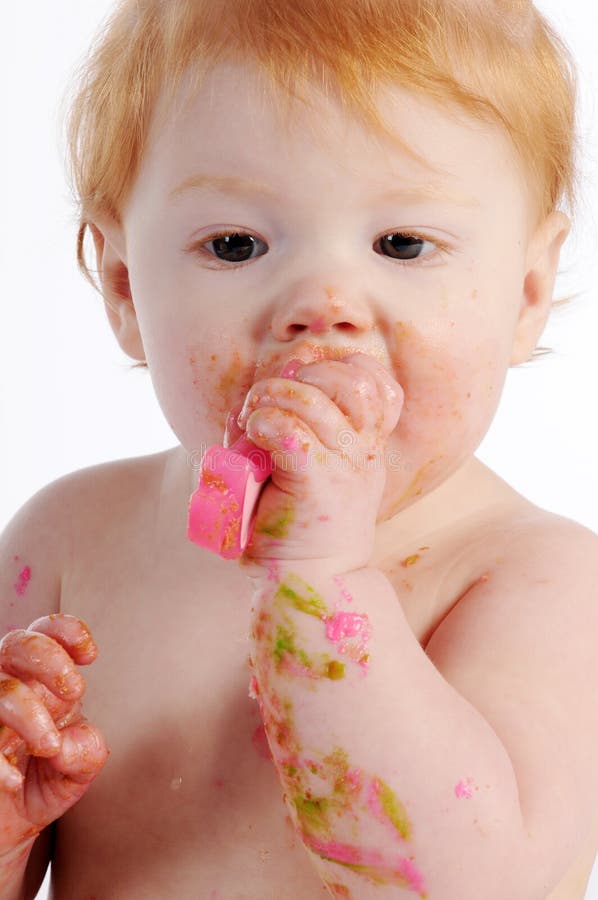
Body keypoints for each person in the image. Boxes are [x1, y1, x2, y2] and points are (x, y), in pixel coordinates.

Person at [1, 1, 597, 897]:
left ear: (525, 290)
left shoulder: (539, 581)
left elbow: (483, 879)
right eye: (236, 244)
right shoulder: (72, 538)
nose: (323, 304)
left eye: (402, 243)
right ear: (125, 288)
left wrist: (321, 580)